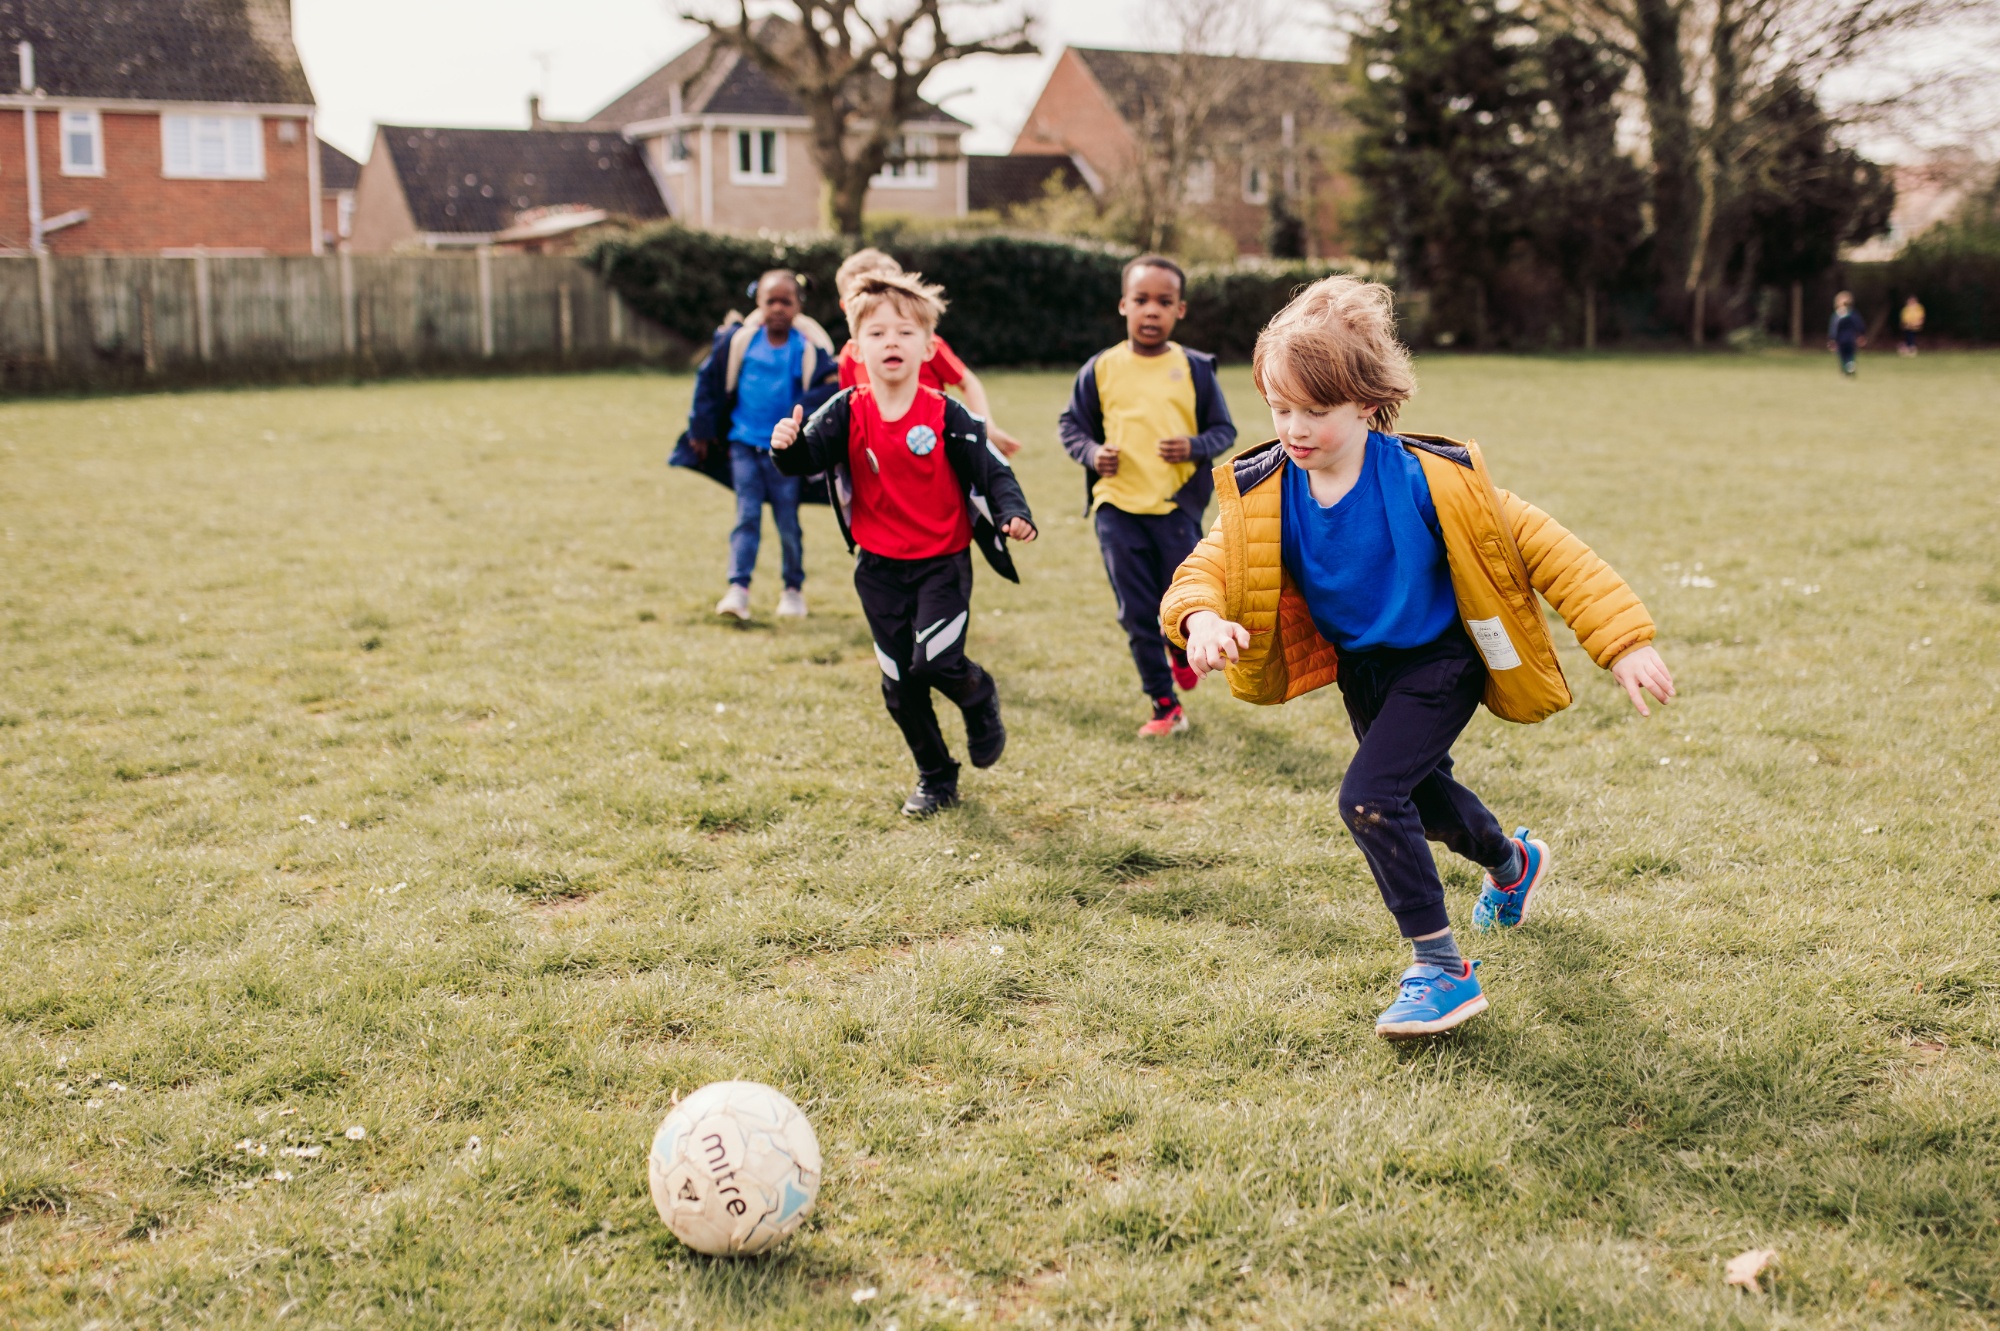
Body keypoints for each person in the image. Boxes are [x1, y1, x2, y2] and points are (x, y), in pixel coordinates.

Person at [1161, 275, 1676, 1040]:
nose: (1294, 428)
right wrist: (1201, 617)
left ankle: (1439, 967)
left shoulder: (1426, 477)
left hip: (1440, 661)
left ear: (1367, 402)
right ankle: (1513, 863)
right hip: (1363, 672)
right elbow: (1210, 564)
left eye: (1315, 410)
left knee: (1368, 797)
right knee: (1423, 802)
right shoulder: (1265, 490)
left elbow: (1548, 547)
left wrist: (1623, 640)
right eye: (1279, 407)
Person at [772, 270, 1037, 817]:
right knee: (898, 683)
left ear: (929, 347)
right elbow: (804, 460)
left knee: (935, 661)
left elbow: (993, 470)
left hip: (942, 564)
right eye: (877, 333)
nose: (891, 342)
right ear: (855, 348)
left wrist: (1013, 513)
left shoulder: (947, 414)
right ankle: (936, 776)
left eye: (905, 332)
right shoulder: (846, 409)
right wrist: (787, 445)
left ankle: (978, 695)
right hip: (877, 570)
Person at [1059, 255, 1236, 737]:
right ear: (1124, 305)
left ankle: (1178, 647)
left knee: (1179, 600)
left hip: (1176, 507)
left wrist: (1193, 446)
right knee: (1137, 612)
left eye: (1164, 301)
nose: (1151, 310)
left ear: (1180, 309)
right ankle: (1164, 706)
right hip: (1116, 507)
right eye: (1141, 300)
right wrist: (1093, 453)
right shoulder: (1100, 368)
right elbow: (1071, 426)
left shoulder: (1194, 368)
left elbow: (1224, 430)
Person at [671, 270, 839, 620]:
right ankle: (738, 590)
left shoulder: (808, 350)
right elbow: (708, 383)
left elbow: (827, 390)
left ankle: (792, 591)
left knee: (787, 522)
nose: (777, 308)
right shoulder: (738, 343)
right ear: (758, 303)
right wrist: (700, 430)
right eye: (770, 301)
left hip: (785, 454)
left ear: (799, 305)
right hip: (743, 445)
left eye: (785, 302)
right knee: (746, 516)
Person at [832, 248, 1023, 457]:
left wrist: (987, 428)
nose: (877, 301)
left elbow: (967, 382)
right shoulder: (850, 356)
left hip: (933, 446)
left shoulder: (924, 346)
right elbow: (850, 412)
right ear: (844, 305)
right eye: (860, 295)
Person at [1828, 291, 1867, 377]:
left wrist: (1832, 339)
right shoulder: (1853, 314)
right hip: (1851, 338)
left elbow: (1834, 329)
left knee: (1842, 356)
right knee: (1850, 355)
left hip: (1840, 339)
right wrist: (1861, 335)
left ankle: (1845, 370)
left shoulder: (1837, 315)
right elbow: (1859, 325)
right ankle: (1850, 367)